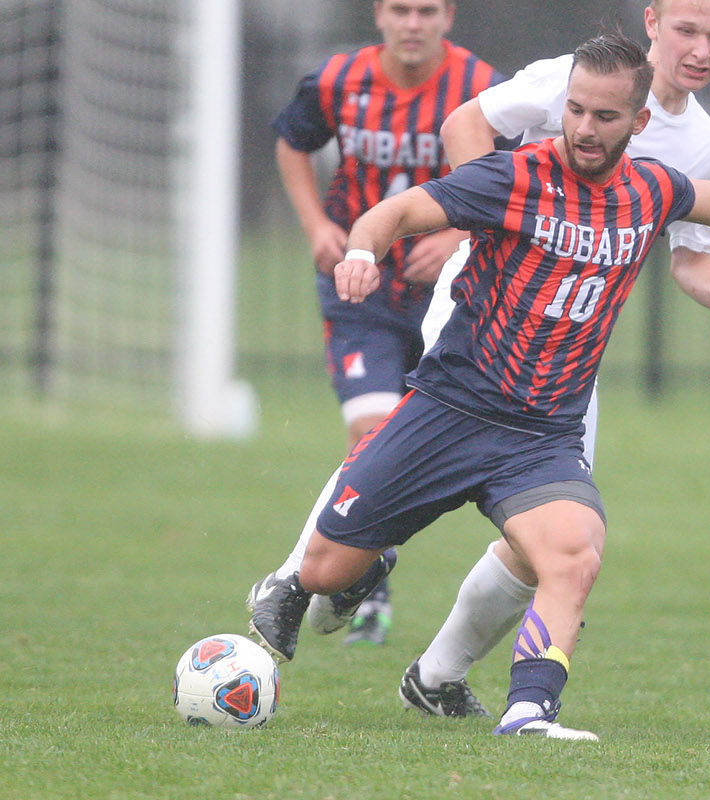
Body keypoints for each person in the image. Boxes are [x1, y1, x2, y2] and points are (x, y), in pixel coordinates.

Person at [249, 32, 710, 740]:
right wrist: (359, 250)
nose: (585, 130)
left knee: (573, 552)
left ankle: (529, 709)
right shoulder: (515, 177)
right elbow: (400, 212)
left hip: (540, 436)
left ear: (639, 124)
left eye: (604, 117)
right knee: (324, 569)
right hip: (449, 410)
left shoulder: (652, 189)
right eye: (576, 112)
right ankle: (326, 570)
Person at [268, 0, 501, 646]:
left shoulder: (484, 90)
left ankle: (353, 565)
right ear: (379, 14)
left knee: (413, 435)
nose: (413, 23)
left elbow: (516, 180)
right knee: (372, 429)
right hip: (359, 286)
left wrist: (458, 231)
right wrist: (318, 225)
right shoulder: (337, 81)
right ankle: (362, 580)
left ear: (448, 17)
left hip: (448, 294)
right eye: (401, 8)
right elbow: (292, 143)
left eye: (427, 10)